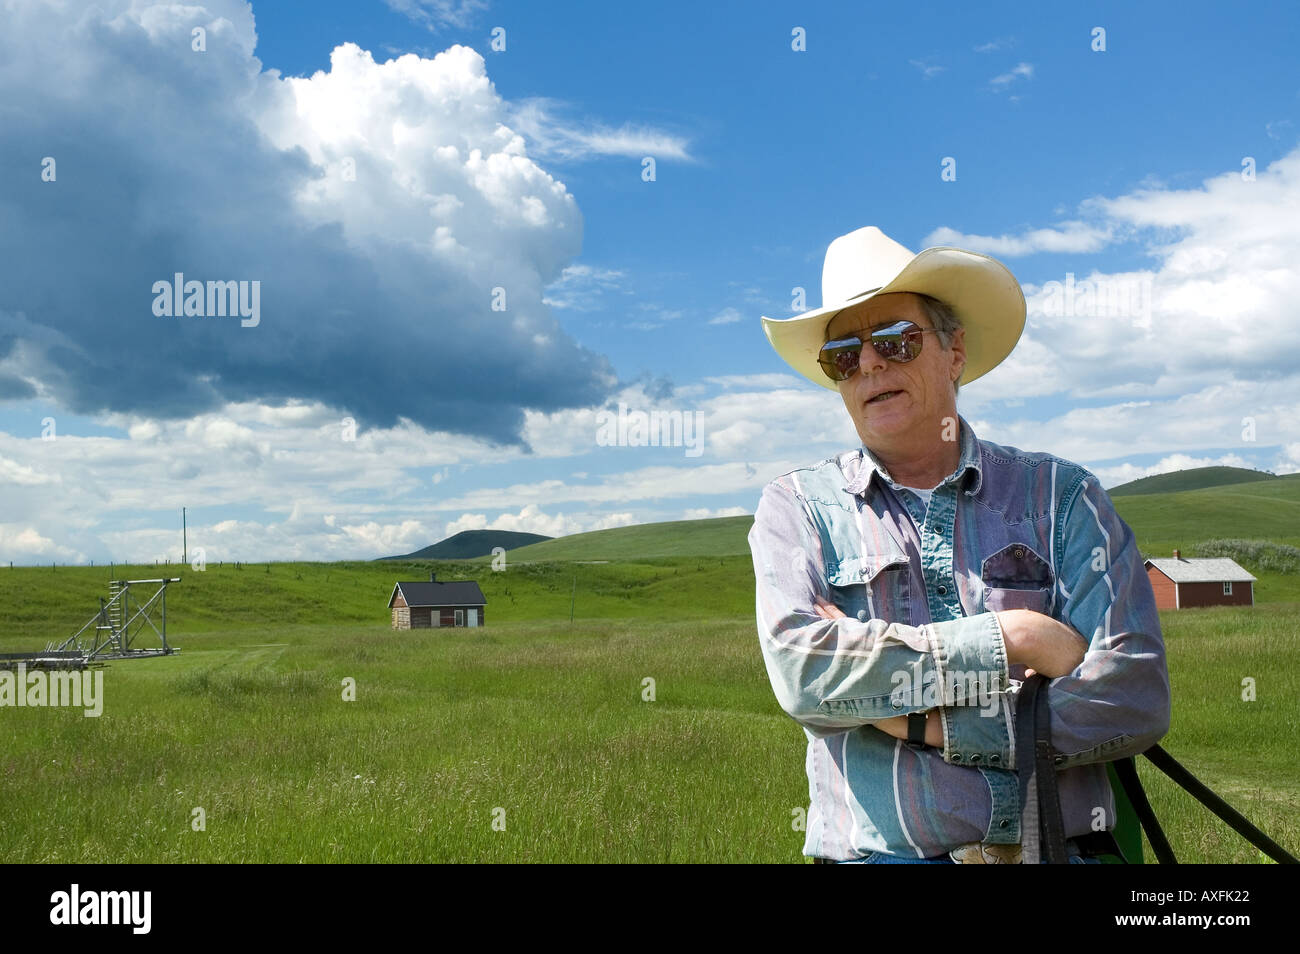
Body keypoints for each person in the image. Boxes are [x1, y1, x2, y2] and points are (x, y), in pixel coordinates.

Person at [748, 226, 1171, 863]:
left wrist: (927, 723)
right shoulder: (799, 507)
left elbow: (1132, 695)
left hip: (1061, 853)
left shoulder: (1063, 497)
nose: (868, 363)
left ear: (954, 352)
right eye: (843, 352)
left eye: (894, 339)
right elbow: (802, 672)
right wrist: (1017, 639)